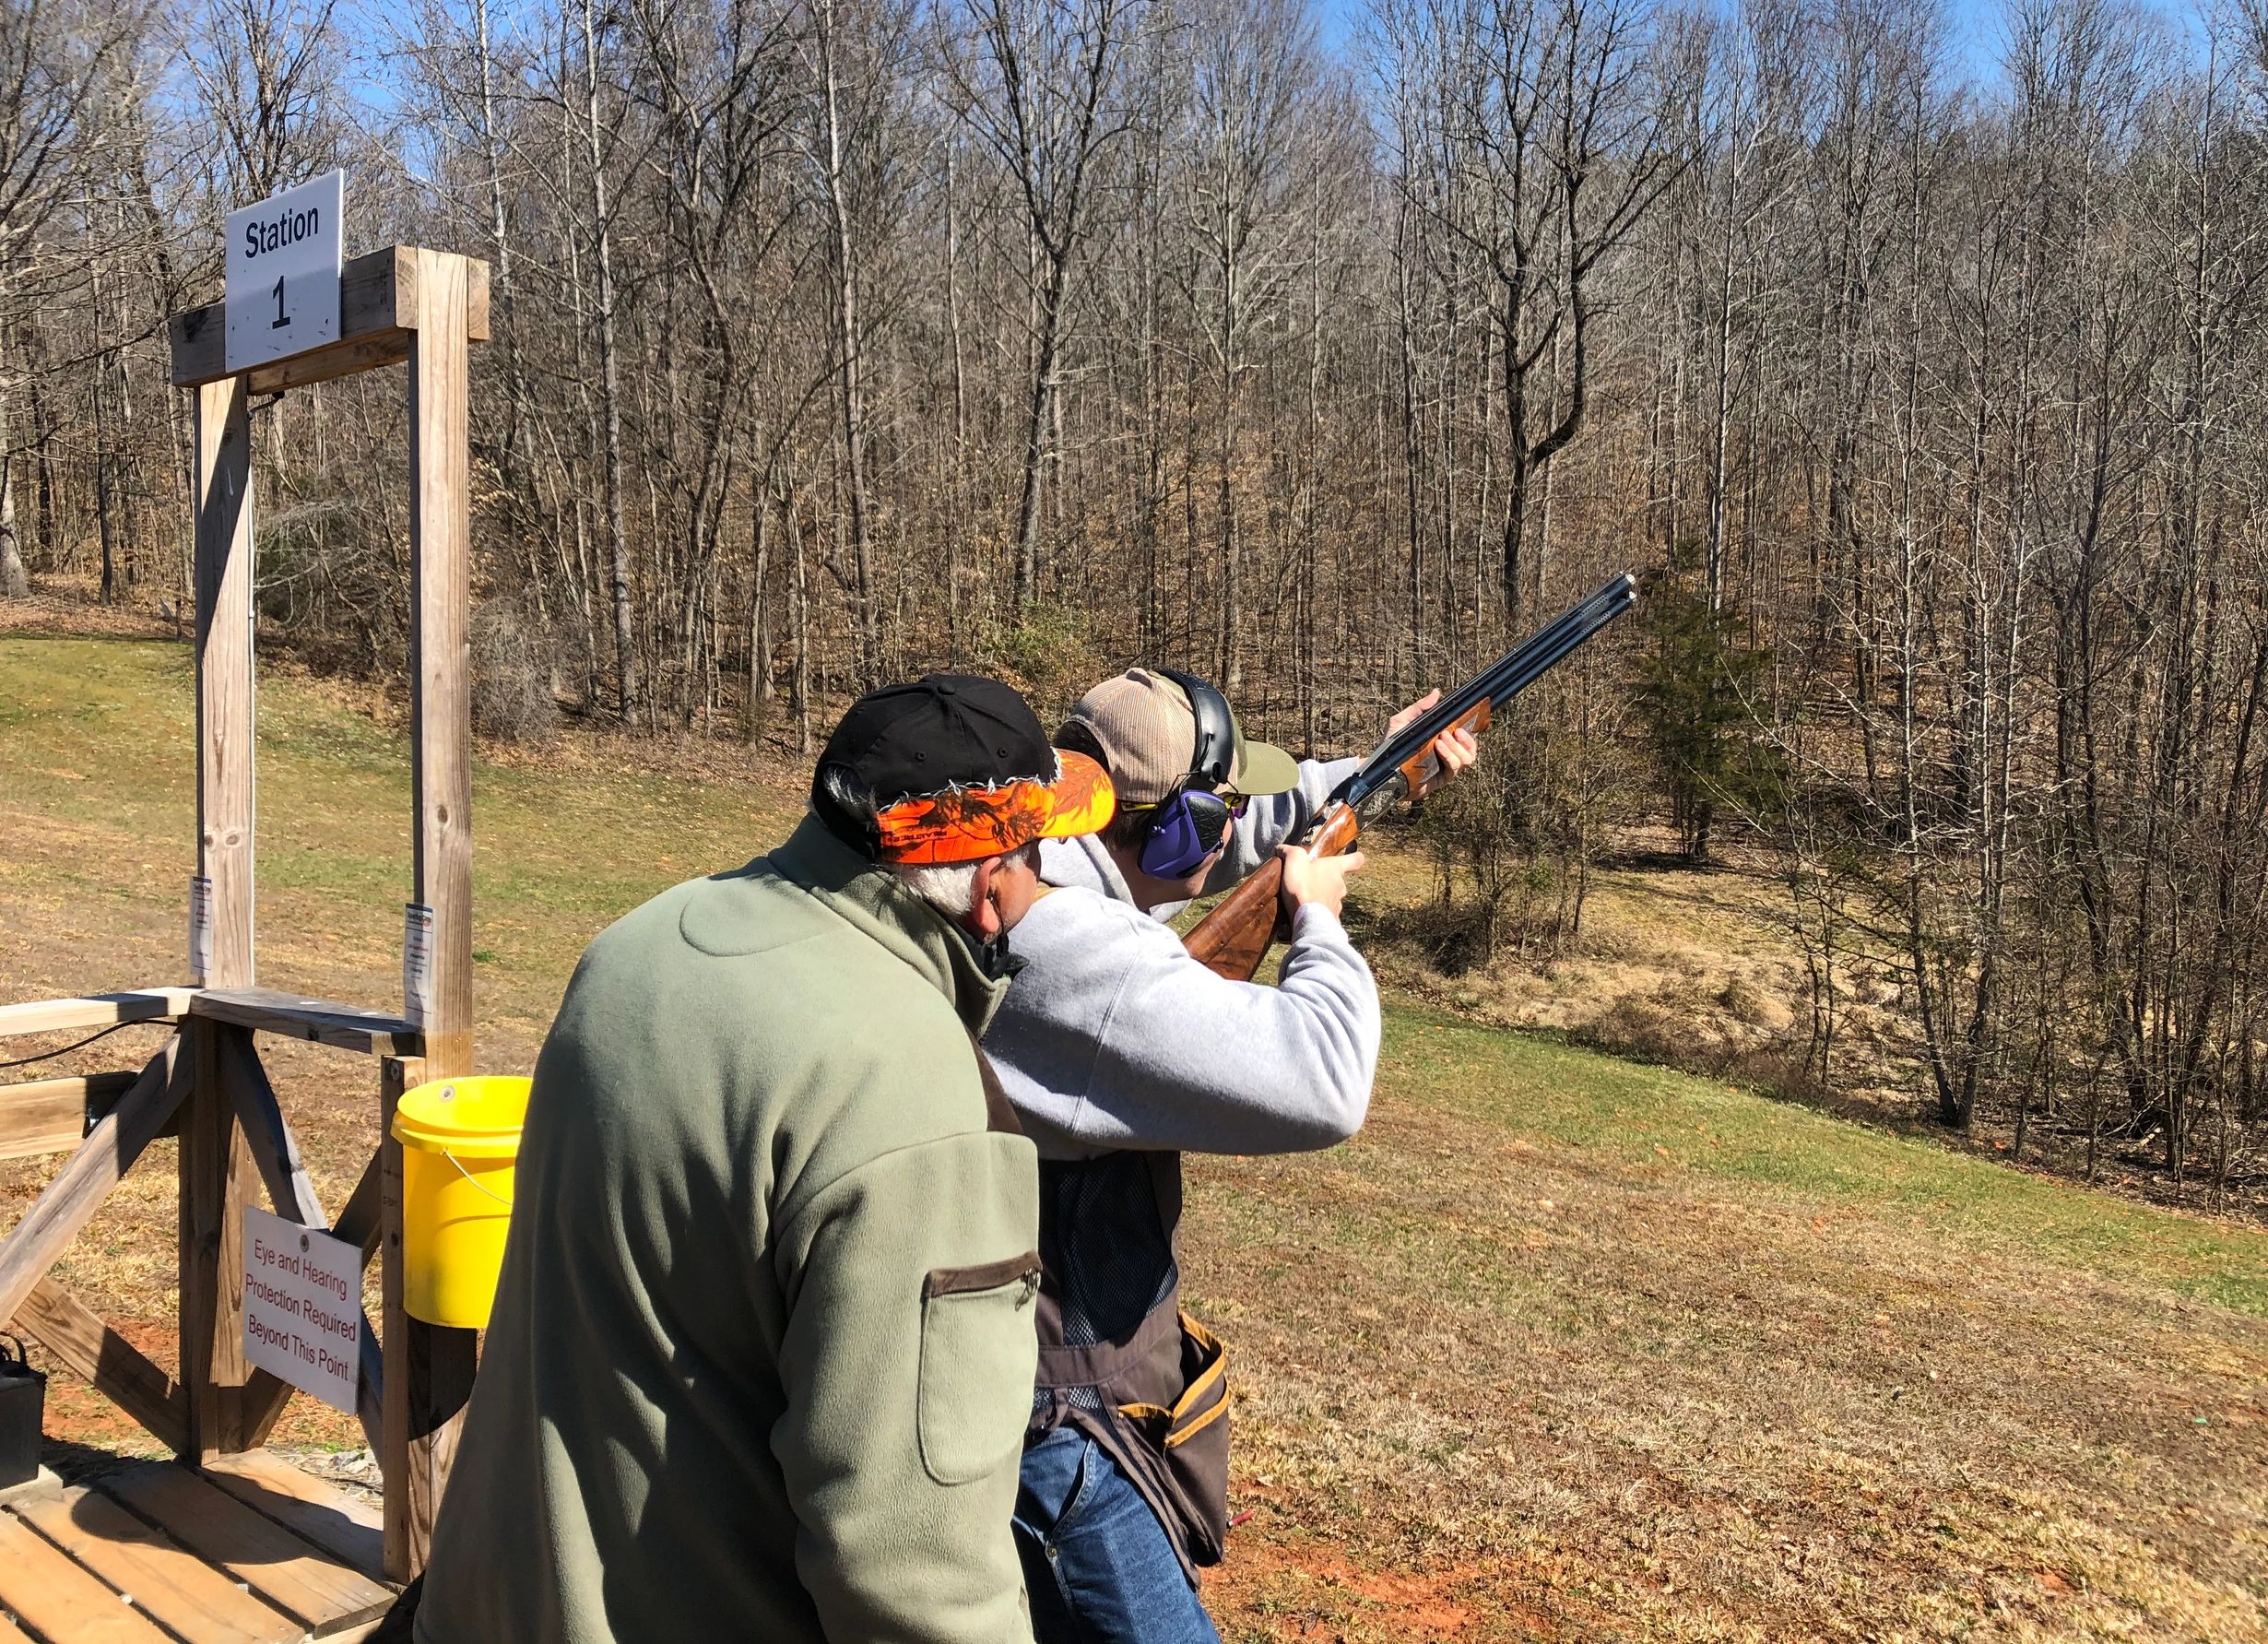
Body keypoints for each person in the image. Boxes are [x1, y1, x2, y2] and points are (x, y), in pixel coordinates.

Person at [412, 674, 1115, 1644]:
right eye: (1041, 852)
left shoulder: (637, 945)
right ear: (994, 883)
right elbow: (914, 1564)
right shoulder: (907, 1085)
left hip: (487, 1606)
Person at [981, 668, 1475, 1642]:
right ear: (1173, 829)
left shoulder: (1042, 866)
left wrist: (1383, 770)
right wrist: (1318, 919)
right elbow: (1324, 1083)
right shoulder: (1085, 959)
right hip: (1060, 1429)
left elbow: (1229, 836)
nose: (1233, 831)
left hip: (1028, 1391)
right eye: (1216, 815)